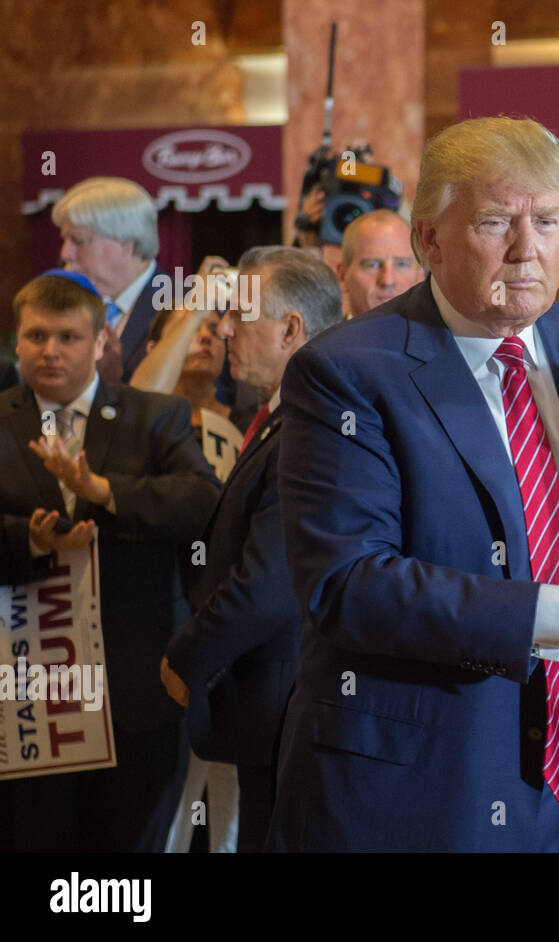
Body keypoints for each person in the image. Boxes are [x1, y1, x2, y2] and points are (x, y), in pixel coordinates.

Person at [265, 116, 559, 853]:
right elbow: (349, 584)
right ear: (430, 240)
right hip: (432, 786)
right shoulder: (348, 371)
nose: (528, 250)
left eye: (547, 221)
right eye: (496, 222)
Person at [0, 270, 220, 852]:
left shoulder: (156, 415)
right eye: (36, 336)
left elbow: (203, 505)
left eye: (69, 337)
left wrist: (102, 491)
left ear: (101, 343)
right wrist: (32, 539)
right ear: (16, 341)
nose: (51, 351)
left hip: (135, 688)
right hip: (26, 696)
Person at [161, 246, 344, 853]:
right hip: (266, 703)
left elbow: (268, 584)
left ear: (291, 328)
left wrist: (189, 653)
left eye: (242, 315)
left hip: (288, 704)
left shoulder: (314, 419)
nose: (227, 328)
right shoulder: (282, 411)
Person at [53, 177, 162, 384]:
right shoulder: (66, 303)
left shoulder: (183, 307)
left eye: (78, 241)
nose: (65, 253)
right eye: (64, 240)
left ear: (125, 245)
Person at [334, 210, 425, 318]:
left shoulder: (443, 334)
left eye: (401, 264)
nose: (387, 281)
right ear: (343, 276)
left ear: (421, 276)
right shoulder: (326, 335)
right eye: (372, 265)